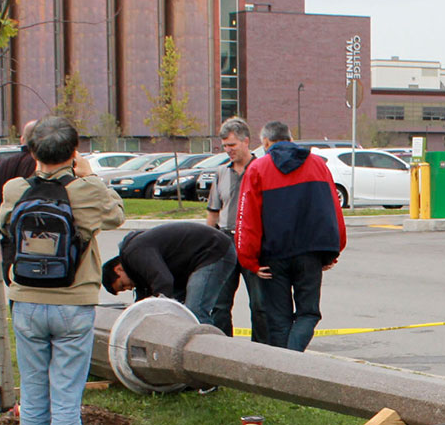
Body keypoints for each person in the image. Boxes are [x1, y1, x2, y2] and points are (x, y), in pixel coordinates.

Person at [0, 115, 125, 425]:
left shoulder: (15, 189)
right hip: (73, 301)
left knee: (34, 391)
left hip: (26, 301)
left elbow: (5, 224)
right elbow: (117, 214)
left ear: (32, 151)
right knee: (66, 398)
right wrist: (88, 173)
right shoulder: (87, 189)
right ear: (74, 151)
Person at [234, 120, 345, 351]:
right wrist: (333, 250)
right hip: (310, 253)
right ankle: (292, 359)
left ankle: (285, 363)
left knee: (278, 319)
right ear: (291, 139)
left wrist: (249, 260)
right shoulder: (317, 164)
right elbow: (333, 209)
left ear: (266, 142)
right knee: (308, 313)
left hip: (273, 256)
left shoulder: (257, 168)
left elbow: (247, 218)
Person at [203, 118, 267, 342]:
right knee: (219, 304)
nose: (228, 150)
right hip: (225, 242)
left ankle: (260, 349)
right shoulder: (221, 173)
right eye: (225, 146)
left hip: (253, 242)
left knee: (259, 304)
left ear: (246, 141)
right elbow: (213, 211)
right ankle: (223, 348)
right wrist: (206, 244)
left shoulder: (262, 169)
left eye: (232, 145)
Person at [101, 219, 233, 312]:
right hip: (194, 261)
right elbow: (144, 300)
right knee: (180, 312)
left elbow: (163, 283)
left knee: (194, 311)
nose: (129, 288)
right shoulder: (137, 270)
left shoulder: (134, 253)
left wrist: (159, 313)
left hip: (212, 250)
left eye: (122, 285)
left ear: (118, 269)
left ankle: (206, 344)